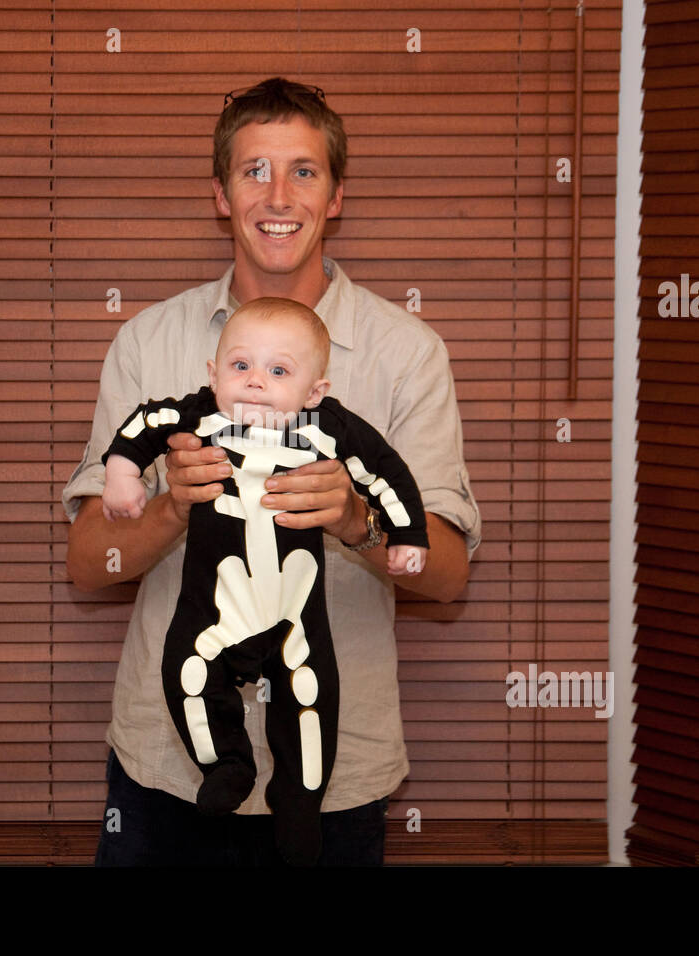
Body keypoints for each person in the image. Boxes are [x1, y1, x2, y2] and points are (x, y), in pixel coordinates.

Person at [62, 77, 482, 866]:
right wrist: (170, 507)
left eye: (304, 170)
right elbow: (88, 564)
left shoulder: (408, 354)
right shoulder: (149, 343)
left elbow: (448, 577)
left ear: (337, 194)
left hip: (337, 775)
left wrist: (358, 522)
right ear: (221, 194)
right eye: (254, 170)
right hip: (166, 771)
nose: (277, 195)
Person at [99, 296, 430, 864]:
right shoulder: (199, 415)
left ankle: (299, 805)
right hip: (216, 611)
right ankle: (225, 764)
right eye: (240, 366)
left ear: (314, 391)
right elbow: (143, 423)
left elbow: (387, 471)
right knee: (186, 671)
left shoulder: (330, 429)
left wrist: (405, 535)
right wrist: (122, 473)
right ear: (213, 373)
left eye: (278, 372)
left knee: (311, 700)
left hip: (293, 614)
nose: (255, 382)